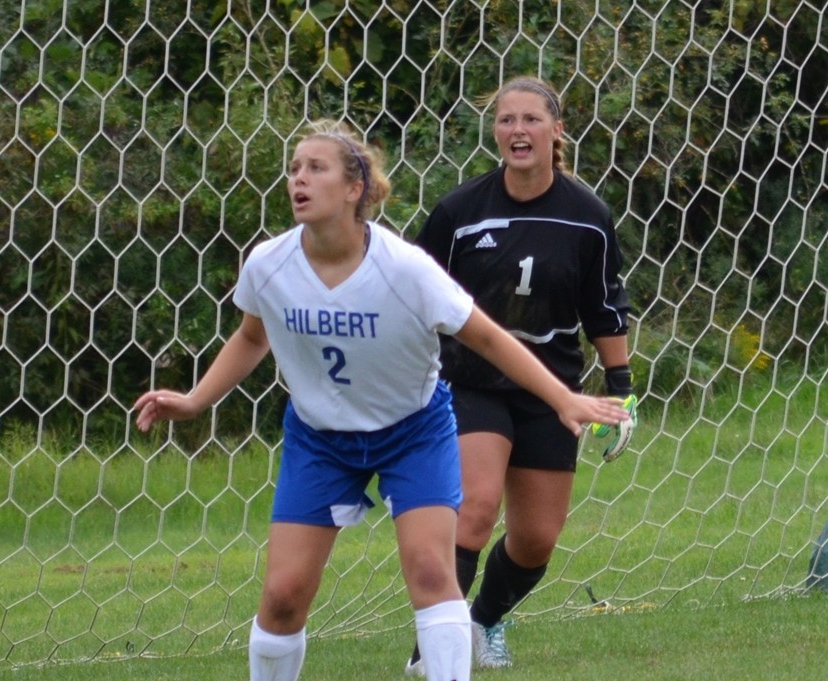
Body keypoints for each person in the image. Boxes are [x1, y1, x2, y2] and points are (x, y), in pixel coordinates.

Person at [133, 119, 628, 681]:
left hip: (412, 433)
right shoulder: (268, 264)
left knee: (430, 571)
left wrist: (562, 398)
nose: (299, 179)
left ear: (354, 189)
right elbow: (252, 335)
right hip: (320, 440)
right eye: (294, 168)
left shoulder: (404, 269)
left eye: (315, 168)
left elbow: (487, 336)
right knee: (283, 595)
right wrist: (196, 401)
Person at [404, 76, 636, 675]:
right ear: (495, 132)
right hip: (470, 380)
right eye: (506, 121)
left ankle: (484, 620)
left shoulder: (588, 216)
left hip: (550, 390)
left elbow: (604, 309)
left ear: (556, 130)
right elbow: (414, 292)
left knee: (536, 539)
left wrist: (621, 390)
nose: (517, 131)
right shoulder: (459, 212)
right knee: (476, 507)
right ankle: (434, 648)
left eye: (531, 120)